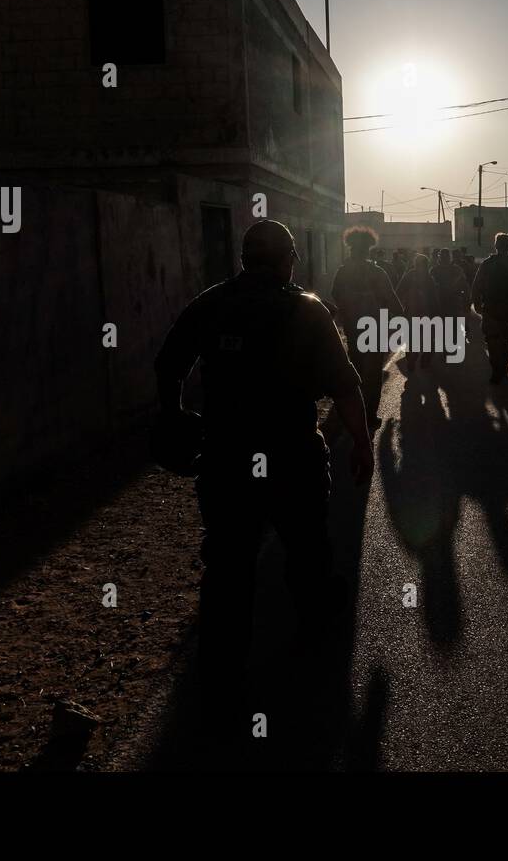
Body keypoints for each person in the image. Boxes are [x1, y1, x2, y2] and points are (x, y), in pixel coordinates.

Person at [152, 219, 374, 751]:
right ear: (288, 259)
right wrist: (363, 443)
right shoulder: (307, 309)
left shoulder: (210, 304)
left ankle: (221, 676)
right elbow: (345, 386)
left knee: (228, 562)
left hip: (226, 458)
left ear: (245, 257)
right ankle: (317, 631)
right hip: (292, 455)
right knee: (307, 546)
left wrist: (174, 415)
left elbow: (168, 364)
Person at [331, 226, 402, 425]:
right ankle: (369, 415)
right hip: (374, 328)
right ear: (367, 250)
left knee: (358, 372)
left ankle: (356, 414)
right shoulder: (377, 272)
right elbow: (391, 298)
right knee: (372, 376)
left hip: (354, 328)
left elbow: (335, 294)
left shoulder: (343, 272)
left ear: (352, 249)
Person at [470, 232, 508, 384]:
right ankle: (502, 366)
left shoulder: (487, 264)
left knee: (492, 340)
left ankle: (498, 368)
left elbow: (476, 286)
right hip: (506, 309)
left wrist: (476, 304)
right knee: (505, 339)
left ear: (496, 245)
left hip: (490, 309)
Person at [395, 254, 437, 372]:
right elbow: (434, 298)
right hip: (423, 313)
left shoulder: (411, 275)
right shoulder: (427, 277)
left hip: (412, 312)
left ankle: (413, 360)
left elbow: (398, 291)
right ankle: (420, 360)